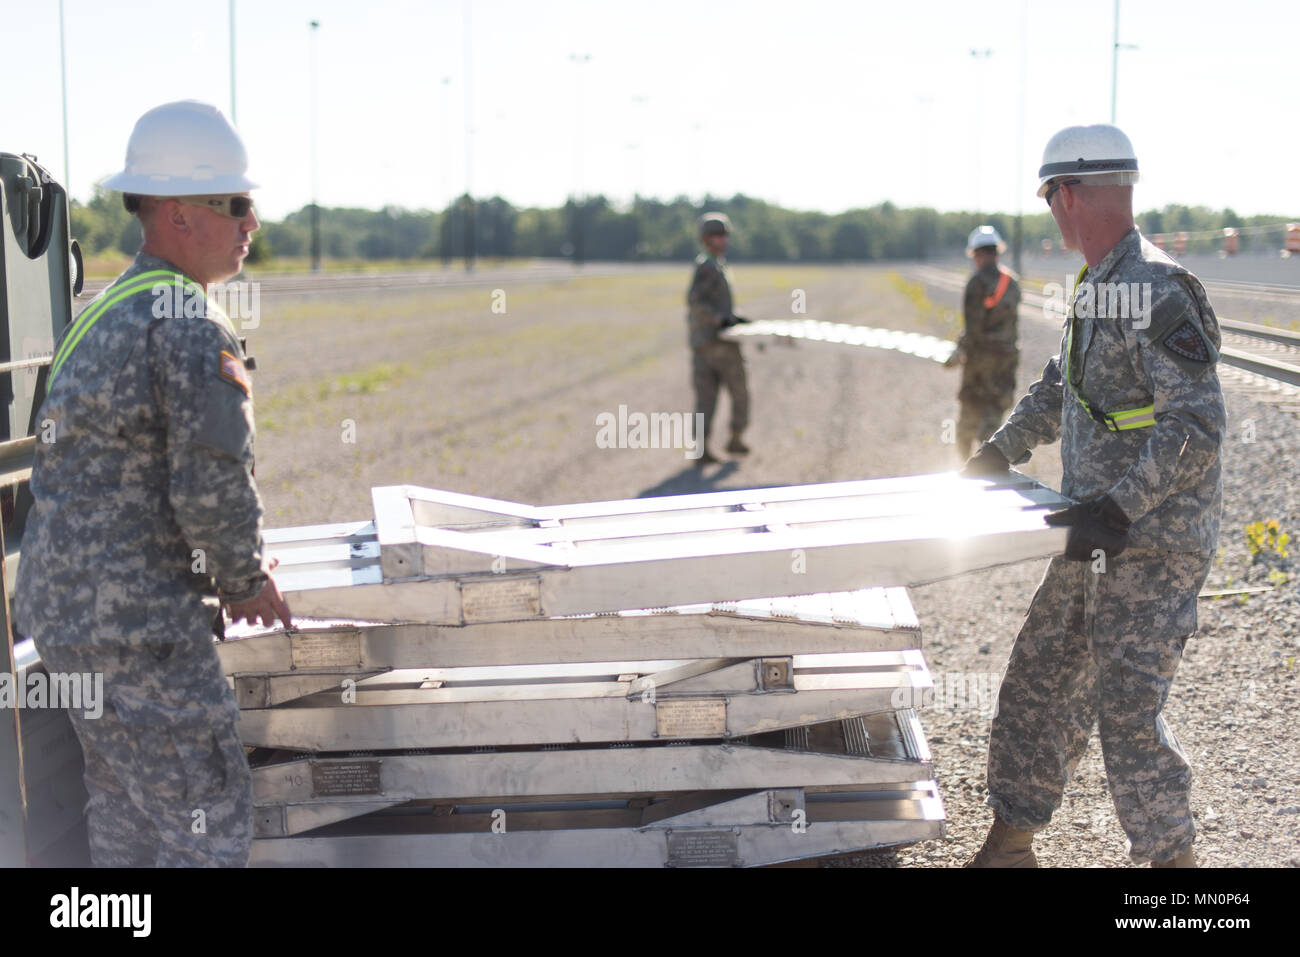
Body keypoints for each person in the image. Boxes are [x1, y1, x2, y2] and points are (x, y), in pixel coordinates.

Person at [14, 100, 290, 867]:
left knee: (128, 821)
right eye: (234, 204)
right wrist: (243, 580)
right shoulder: (189, 326)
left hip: (67, 624)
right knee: (208, 823)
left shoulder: (105, 310)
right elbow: (211, 481)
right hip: (141, 632)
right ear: (176, 215)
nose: (252, 222)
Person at [962, 124, 1225, 868]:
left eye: (1050, 200)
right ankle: (1011, 844)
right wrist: (1000, 451)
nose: (1052, 214)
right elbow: (1061, 389)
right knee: (1039, 683)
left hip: (1148, 541)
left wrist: (1120, 508)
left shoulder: (1155, 288)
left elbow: (1197, 425)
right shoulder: (1099, 285)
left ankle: (1176, 872)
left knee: (1127, 714)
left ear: (1069, 194)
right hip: (1094, 534)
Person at [945, 225, 1020, 459]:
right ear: (997, 252)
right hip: (1006, 362)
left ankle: (966, 469)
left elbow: (973, 329)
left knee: (968, 420)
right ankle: (992, 470)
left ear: (976, 254)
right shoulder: (1012, 282)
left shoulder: (976, 283)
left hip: (980, 363)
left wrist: (959, 351)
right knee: (994, 419)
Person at [686, 212, 750, 465]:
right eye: (715, 235)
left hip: (705, 343)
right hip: (717, 345)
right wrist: (721, 320)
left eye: (723, 234)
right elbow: (696, 303)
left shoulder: (714, 264)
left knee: (707, 399)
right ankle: (732, 440)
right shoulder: (709, 267)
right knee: (737, 394)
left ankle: (707, 448)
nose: (721, 239)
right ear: (705, 239)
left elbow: (709, 305)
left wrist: (735, 317)